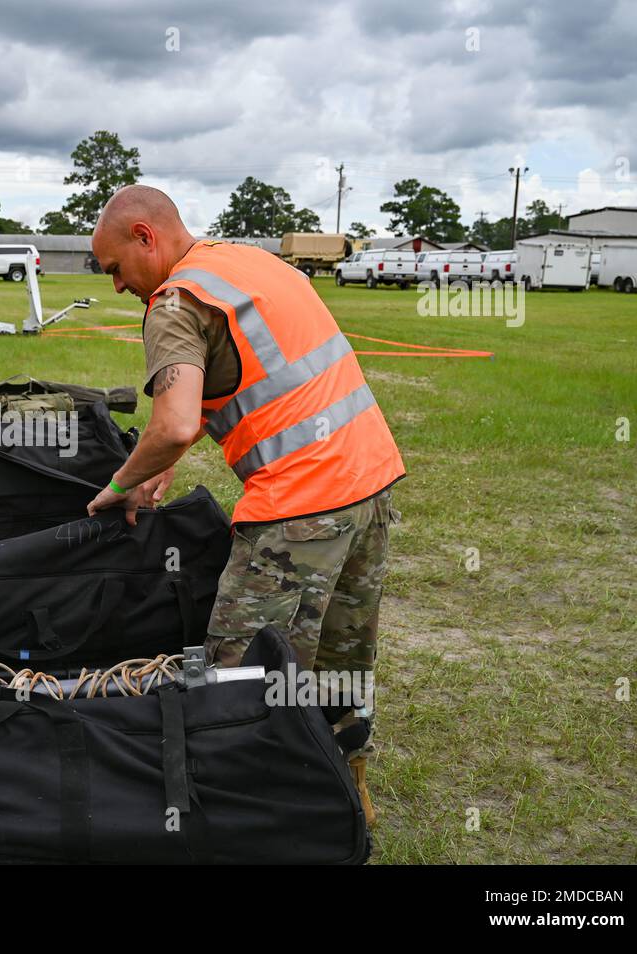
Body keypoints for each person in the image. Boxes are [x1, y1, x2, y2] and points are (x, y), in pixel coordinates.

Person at [85, 184, 405, 824]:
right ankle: (347, 786)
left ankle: (244, 807)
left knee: (241, 668)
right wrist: (169, 465)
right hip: (370, 482)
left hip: (300, 507)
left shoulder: (175, 302)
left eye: (115, 268)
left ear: (145, 237)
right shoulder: (246, 263)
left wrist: (120, 484)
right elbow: (251, 381)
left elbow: (172, 422)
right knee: (345, 652)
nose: (117, 286)